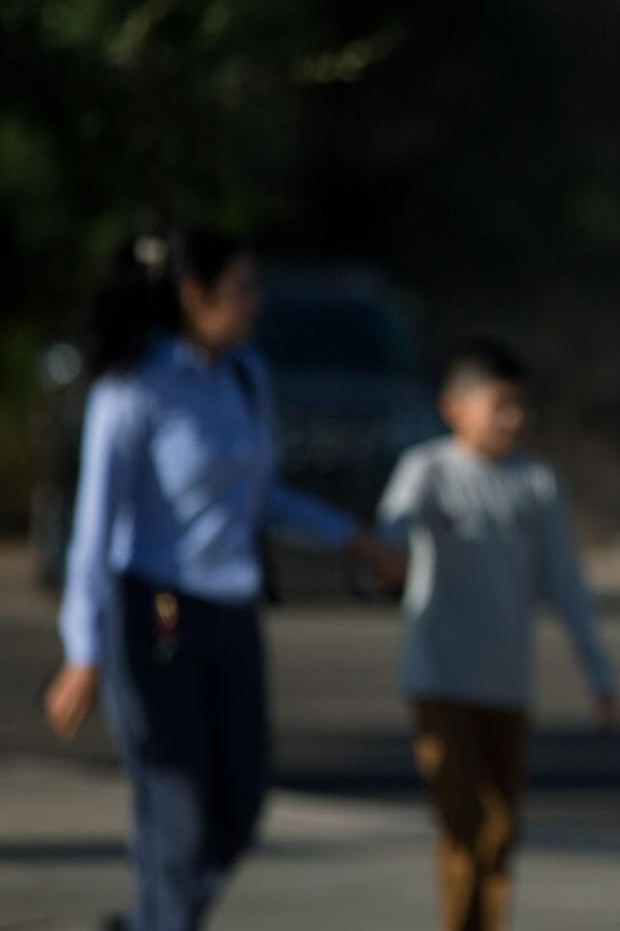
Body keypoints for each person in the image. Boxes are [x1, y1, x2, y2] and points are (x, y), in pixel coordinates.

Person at [43, 229, 405, 931]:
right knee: (175, 805)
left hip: (232, 610)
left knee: (238, 807)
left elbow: (262, 495)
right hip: (160, 609)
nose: (254, 303)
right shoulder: (133, 389)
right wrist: (82, 651)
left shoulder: (246, 376)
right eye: (242, 288)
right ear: (194, 296)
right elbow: (94, 531)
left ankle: (150, 923)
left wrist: (352, 538)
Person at [376, 336, 620, 931]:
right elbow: (388, 539)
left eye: (521, 406)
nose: (513, 419)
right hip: (440, 679)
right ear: (454, 407)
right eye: (500, 405)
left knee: (502, 832)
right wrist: (386, 557)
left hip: (508, 686)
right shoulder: (427, 471)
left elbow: (567, 585)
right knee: (464, 823)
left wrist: (600, 672)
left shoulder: (537, 484)